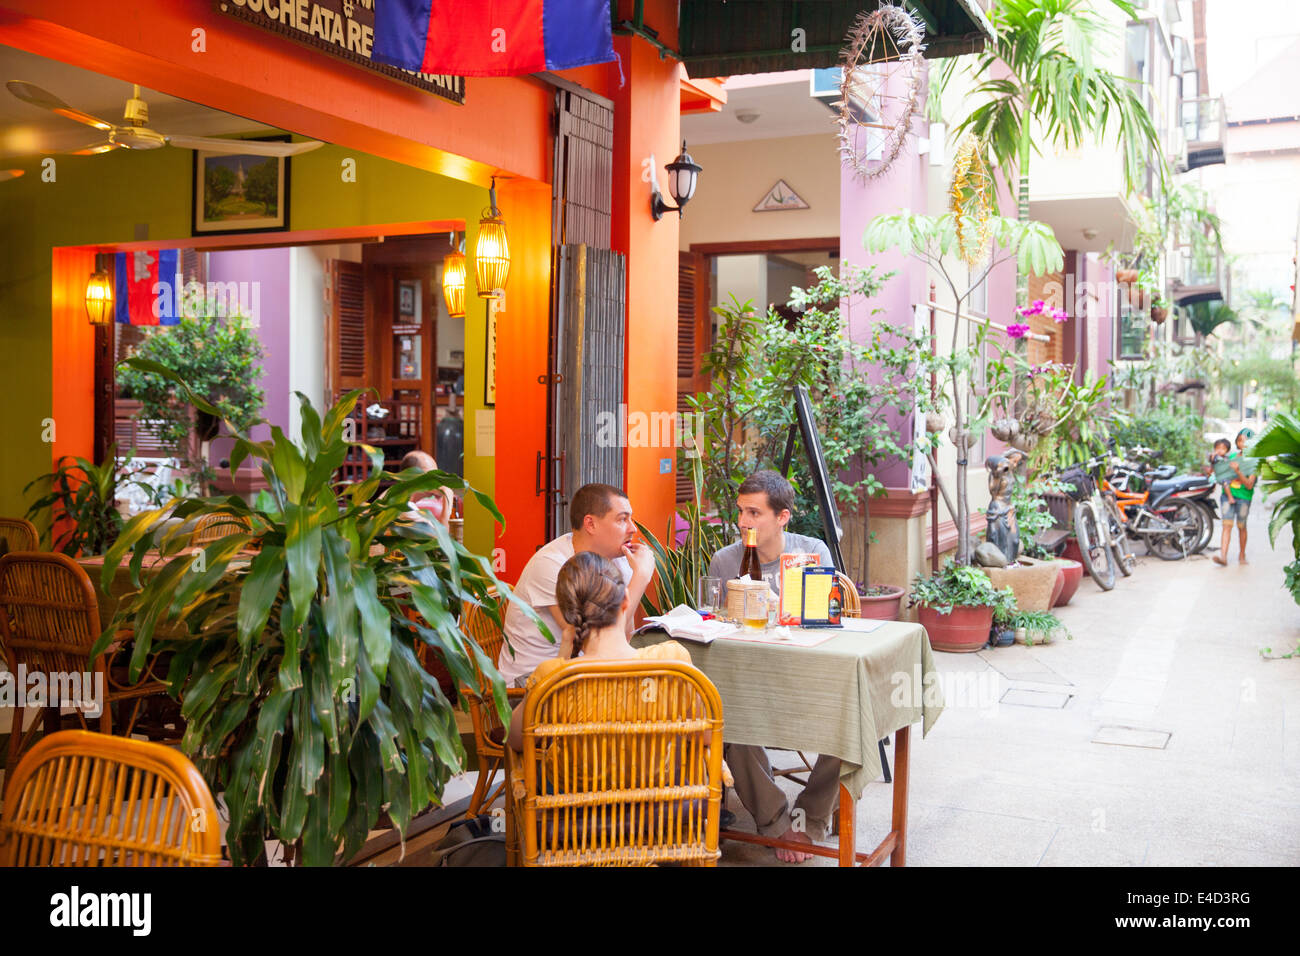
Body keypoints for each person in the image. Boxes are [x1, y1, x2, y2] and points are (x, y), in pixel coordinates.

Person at [707, 469, 838, 863]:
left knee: (851, 722)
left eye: (754, 513)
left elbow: (827, 621)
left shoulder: (811, 552)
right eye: (741, 511)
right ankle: (777, 822)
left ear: (782, 517)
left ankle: (812, 818)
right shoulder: (726, 560)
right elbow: (715, 628)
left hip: (804, 680)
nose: (743, 521)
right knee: (727, 721)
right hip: (749, 683)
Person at [497, 483, 655, 685]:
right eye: (622, 519)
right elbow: (593, 642)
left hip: (580, 673)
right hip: (531, 685)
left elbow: (623, 637)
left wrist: (635, 575)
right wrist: (641, 577)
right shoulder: (552, 565)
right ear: (590, 524)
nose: (633, 528)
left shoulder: (617, 560)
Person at [1212, 429, 1258, 566]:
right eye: (1240, 440)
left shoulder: (1254, 462)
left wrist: (1238, 471)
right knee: (1226, 525)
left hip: (1244, 497)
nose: (1242, 443)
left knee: (1241, 526)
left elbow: (1249, 485)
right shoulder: (1231, 457)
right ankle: (1223, 557)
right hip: (1227, 496)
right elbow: (1220, 472)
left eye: (1246, 441)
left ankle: (1242, 555)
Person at [399, 450, 453, 527]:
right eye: (429, 476)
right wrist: (447, 493)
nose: (435, 481)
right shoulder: (406, 509)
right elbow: (443, 534)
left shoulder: (399, 500)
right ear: (410, 477)